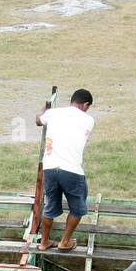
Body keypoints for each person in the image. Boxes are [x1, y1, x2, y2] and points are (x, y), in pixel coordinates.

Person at [35, 87, 94, 251]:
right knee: (78, 208)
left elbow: (38, 120)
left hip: (50, 168)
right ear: (85, 104)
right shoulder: (88, 120)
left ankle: (44, 242)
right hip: (72, 170)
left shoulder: (53, 113)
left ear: (72, 100)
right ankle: (64, 241)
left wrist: (45, 109)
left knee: (50, 207)